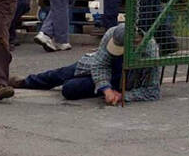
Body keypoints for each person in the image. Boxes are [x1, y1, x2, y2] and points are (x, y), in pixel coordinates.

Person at [10, 24, 161, 104]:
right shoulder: (112, 33)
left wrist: (123, 96)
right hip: (95, 66)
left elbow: (152, 90)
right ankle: (25, 82)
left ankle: (94, 87)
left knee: (70, 89)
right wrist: (106, 89)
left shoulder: (150, 51)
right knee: (62, 73)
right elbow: (100, 63)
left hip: (122, 81)